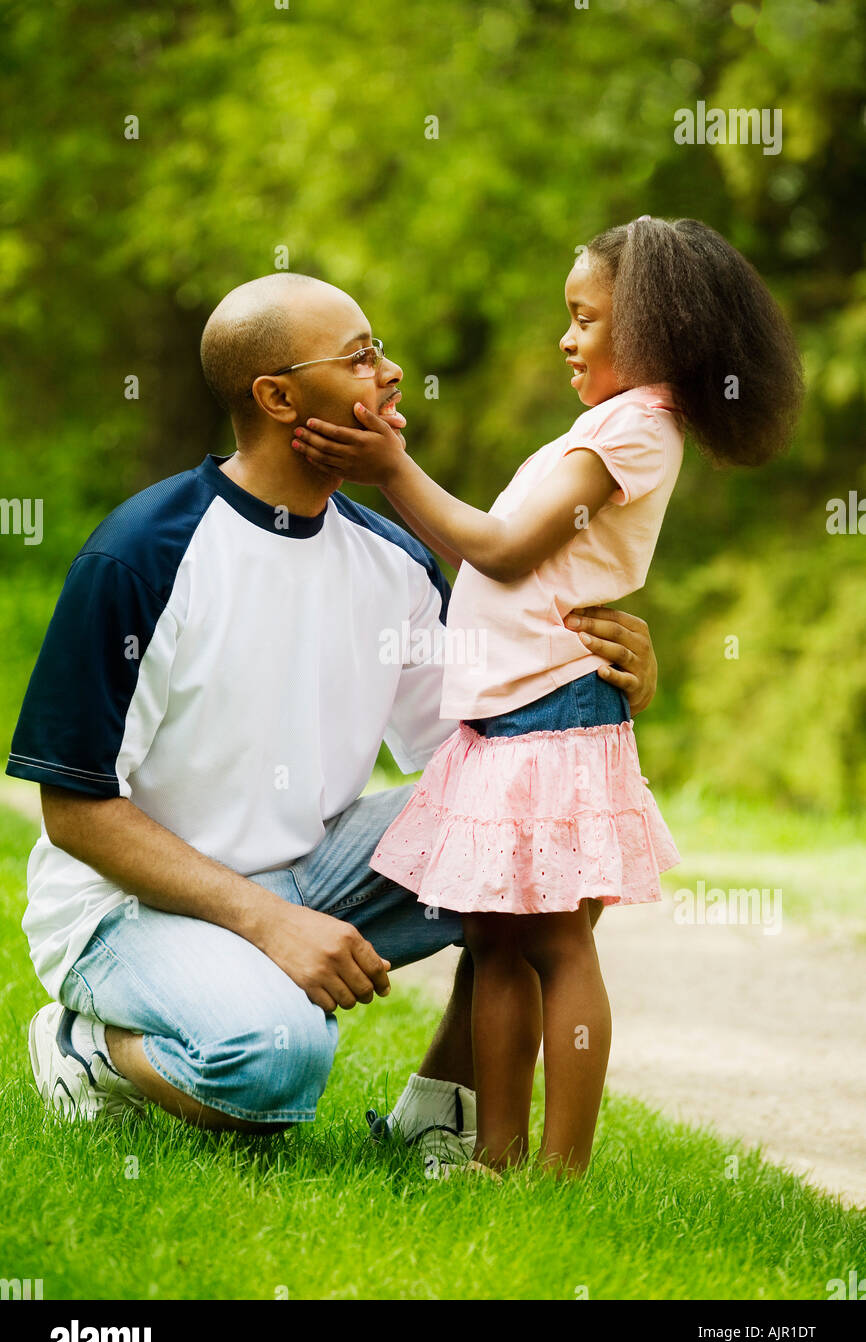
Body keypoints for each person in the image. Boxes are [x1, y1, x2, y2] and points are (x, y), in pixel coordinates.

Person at [9, 272, 661, 1161]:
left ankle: (438, 1109)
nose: (391, 374)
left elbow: (493, 748)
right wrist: (267, 922)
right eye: (360, 359)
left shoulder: (392, 563)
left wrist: (619, 679)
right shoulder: (141, 557)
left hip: (316, 870)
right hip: (128, 908)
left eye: (381, 348)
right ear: (277, 396)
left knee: (544, 843)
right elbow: (74, 810)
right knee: (277, 1061)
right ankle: (86, 1049)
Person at [293, 217, 804, 1175]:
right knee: (493, 940)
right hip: (505, 718)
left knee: (557, 943)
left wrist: (390, 469)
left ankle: (560, 1174)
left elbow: (503, 546)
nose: (565, 340)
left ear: (653, 329)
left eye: (584, 319)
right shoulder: (607, 425)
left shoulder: (639, 430)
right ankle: (493, 1156)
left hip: (554, 716)